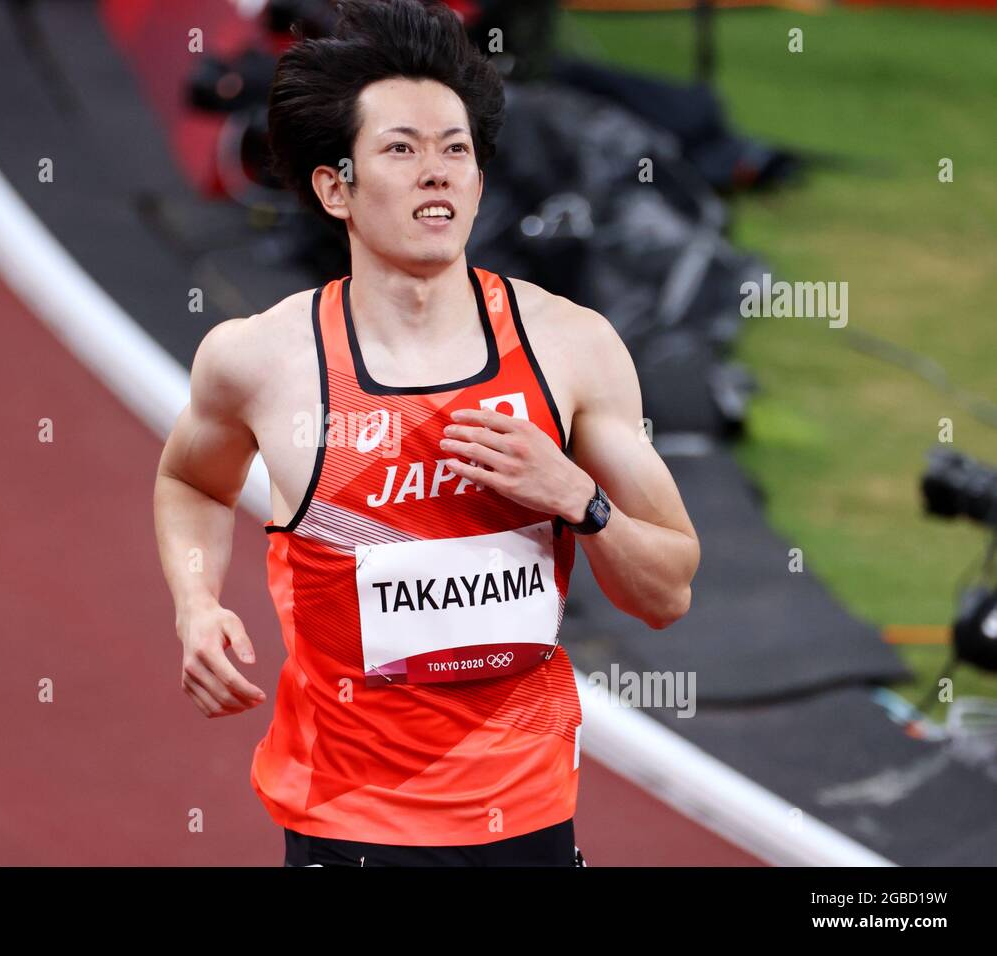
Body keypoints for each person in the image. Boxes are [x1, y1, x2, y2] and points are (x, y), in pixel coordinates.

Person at [153, 0, 700, 867]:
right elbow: (192, 480)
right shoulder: (261, 361)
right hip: (347, 828)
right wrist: (196, 602)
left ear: (480, 181)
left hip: (527, 824)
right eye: (402, 150)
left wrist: (578, 499)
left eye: (455, 150)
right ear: (335, 188)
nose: (437, 173)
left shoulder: (571, 348)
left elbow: (667, 593)